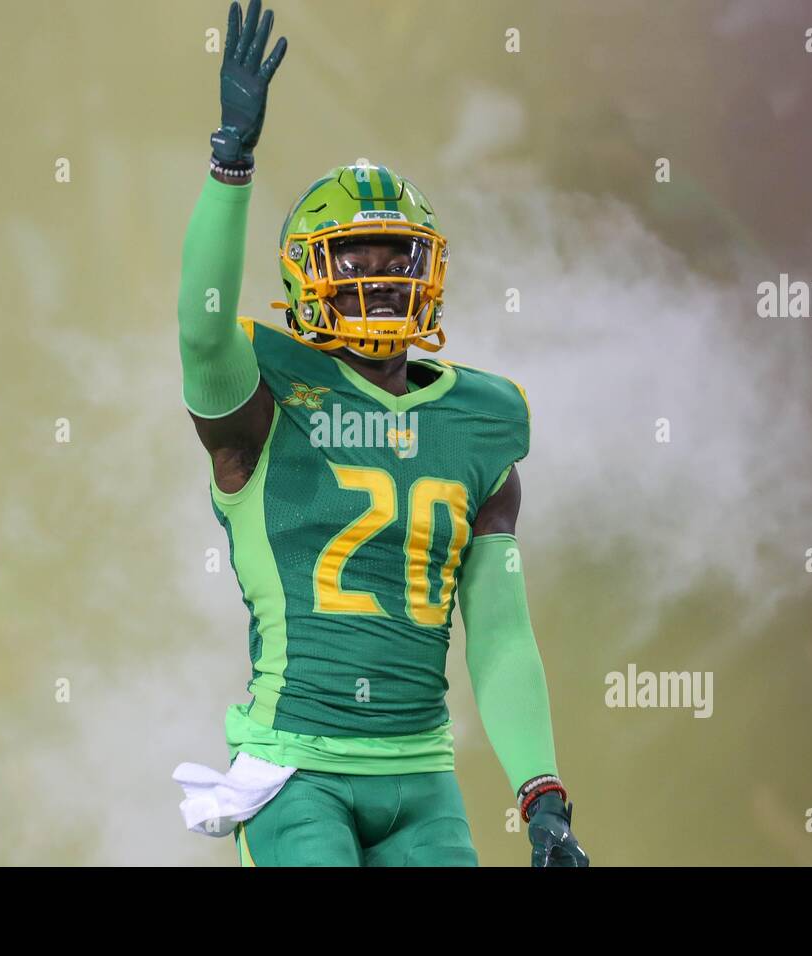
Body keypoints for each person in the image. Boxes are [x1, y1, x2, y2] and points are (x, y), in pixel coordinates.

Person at [173, 0, 588, 868]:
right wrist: (230, 165)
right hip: (298, 773)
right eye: (353, 260)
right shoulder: (265, 399)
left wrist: (542, 796)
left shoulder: (480, 422)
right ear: (305, 277)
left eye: (397, 258)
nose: (380, 279)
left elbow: (501, 629)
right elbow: (203, 331)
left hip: (423, 779)